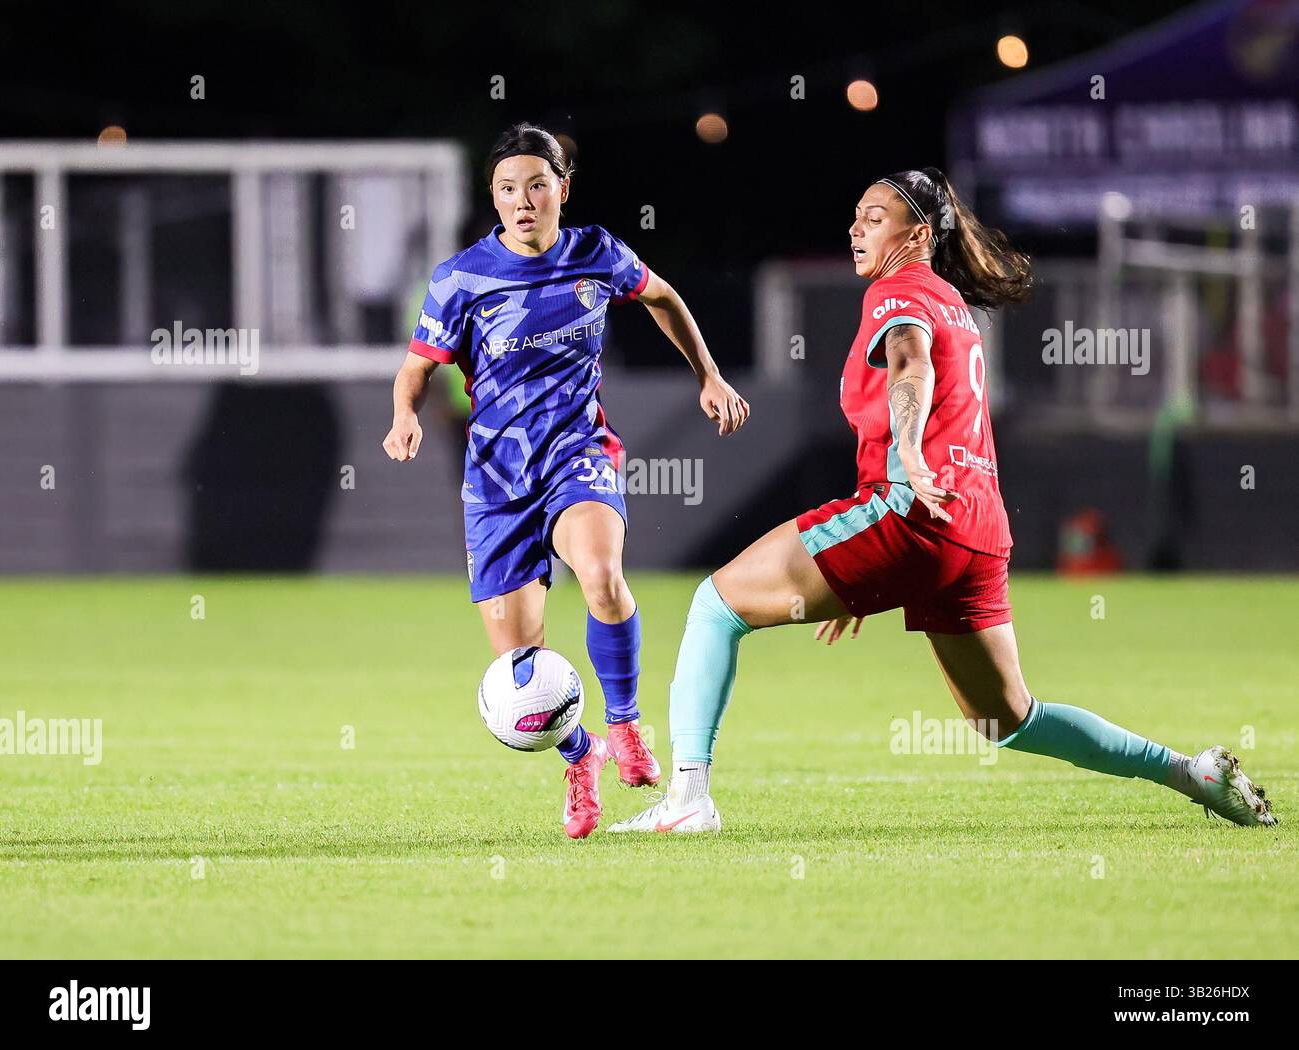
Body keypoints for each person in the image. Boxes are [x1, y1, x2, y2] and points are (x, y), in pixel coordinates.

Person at [611, 167, 1276, 833]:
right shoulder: (950, 301)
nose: (855, 227)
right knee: (1010, 718)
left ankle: (688, 799)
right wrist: (862, 577)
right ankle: (1192, 773)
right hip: (975, 527)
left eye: (874, 216)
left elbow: (910, 365)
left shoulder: (899, 293)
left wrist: (908, 456)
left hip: (914, 510)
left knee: (715, 606)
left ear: (918, 234)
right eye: (856, 214)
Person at [383, 124, 749, 838]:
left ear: (563, 189)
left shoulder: (596, 253)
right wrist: (404, 416)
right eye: (507, 189)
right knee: (522, 672)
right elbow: (417, 367)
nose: (522, 202)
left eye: (536, 186)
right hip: (495, 480)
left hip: (578, 454)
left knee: (602, 573)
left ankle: (627, 722)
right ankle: (583, 756)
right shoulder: (461, 277)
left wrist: (708, 376)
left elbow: (665, 297)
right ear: (493, 198)